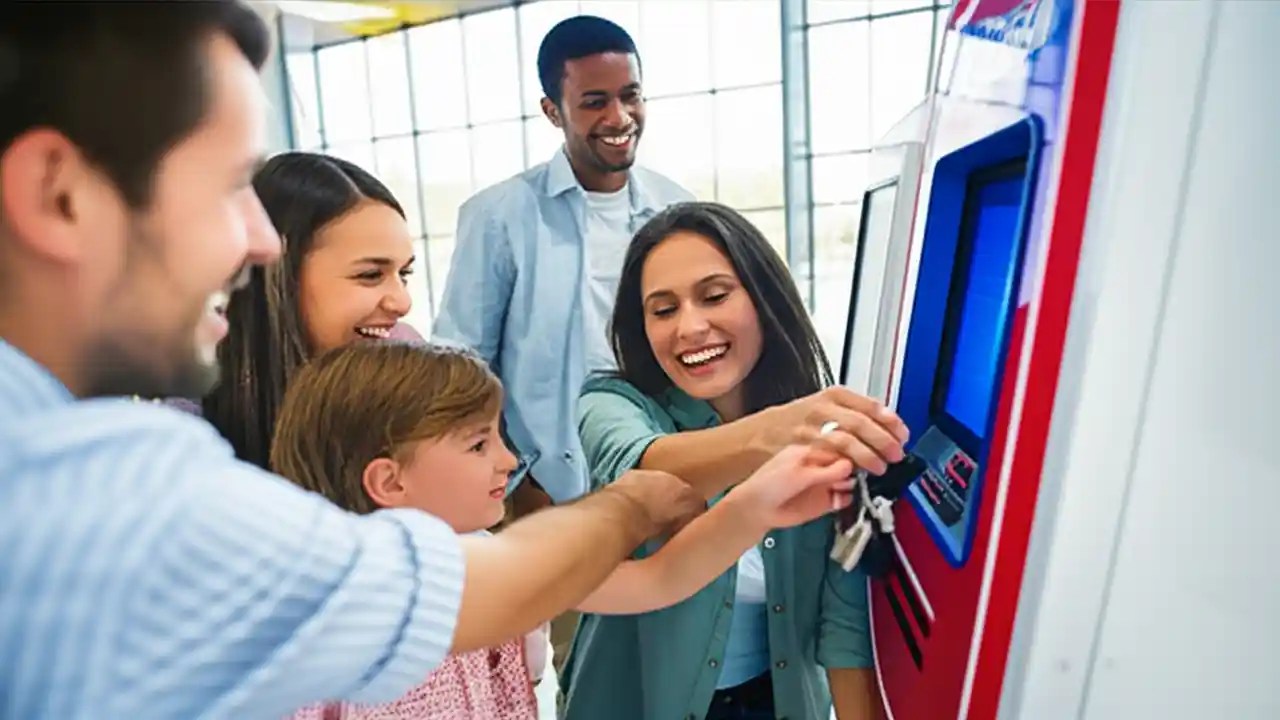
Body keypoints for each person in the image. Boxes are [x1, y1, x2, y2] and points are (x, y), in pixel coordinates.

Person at [0, 4, 720, 717]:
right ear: (56, 195)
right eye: (224, 187)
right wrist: (628, 502)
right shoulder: (116, 490)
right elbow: (452, 592)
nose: (259, 242)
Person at [272, 342, 859, 719]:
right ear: (390, 482)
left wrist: (760, 503)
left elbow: (656, 580)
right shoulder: (334, 627)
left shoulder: (494, 558)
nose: (508, 461)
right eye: (479, 444)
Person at [564, 202, 911, 720]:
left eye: (714, 296)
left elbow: (844, 631)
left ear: (763, 299)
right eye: (663, 310)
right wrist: (776, 433)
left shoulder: (828, 443)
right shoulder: (611, 404)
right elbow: (645, 477)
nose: (689, 327)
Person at [432, 15, 694, 509]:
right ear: (553, 111)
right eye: (595, 102)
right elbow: (462, 364)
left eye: (630, 95)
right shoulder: (499, 216)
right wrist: (512, 482)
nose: (619, 117)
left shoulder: (678, 208)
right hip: (550, 490)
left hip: (662, 473)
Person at [198, 150, 422, 468]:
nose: (402, 303)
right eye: (371, 275)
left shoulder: (408, 355)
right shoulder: (182, 416)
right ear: (276, 272)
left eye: (405, 274)